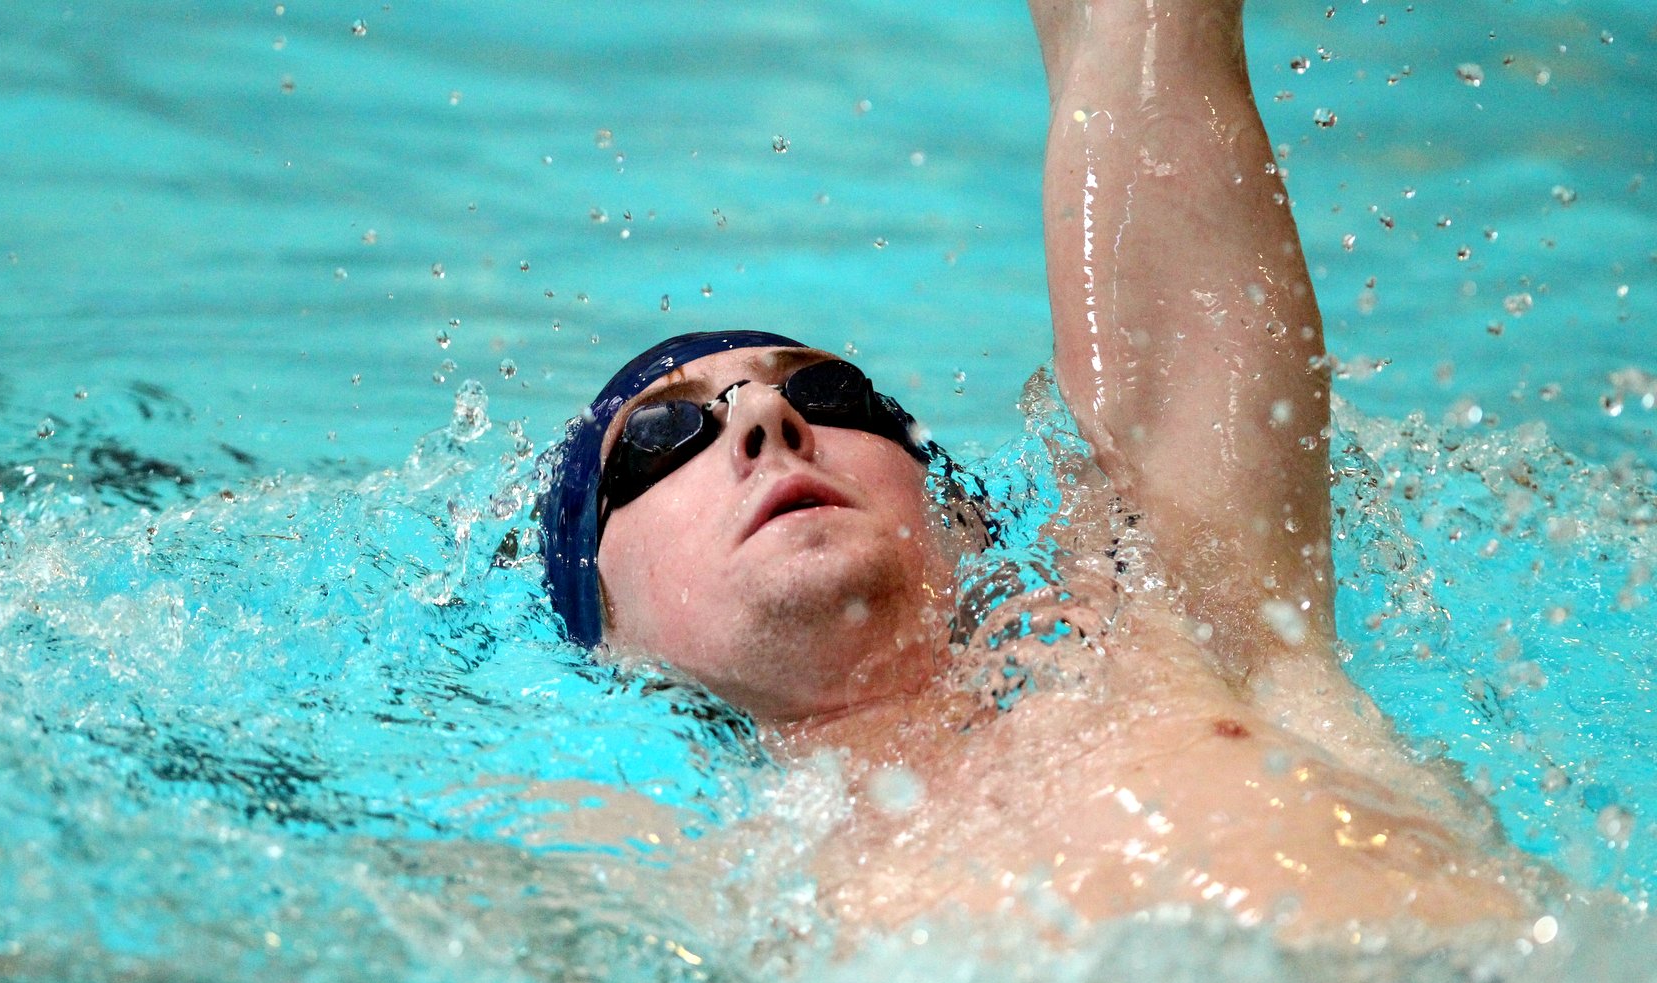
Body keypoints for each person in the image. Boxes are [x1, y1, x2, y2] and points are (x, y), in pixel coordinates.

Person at [537, 0, 1546, 933]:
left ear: (957, 521)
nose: (764, 417)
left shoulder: (1186, 638)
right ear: (602, 629)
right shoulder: (687, 909)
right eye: (665, 438)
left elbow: (1141, 37)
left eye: (830, 398)